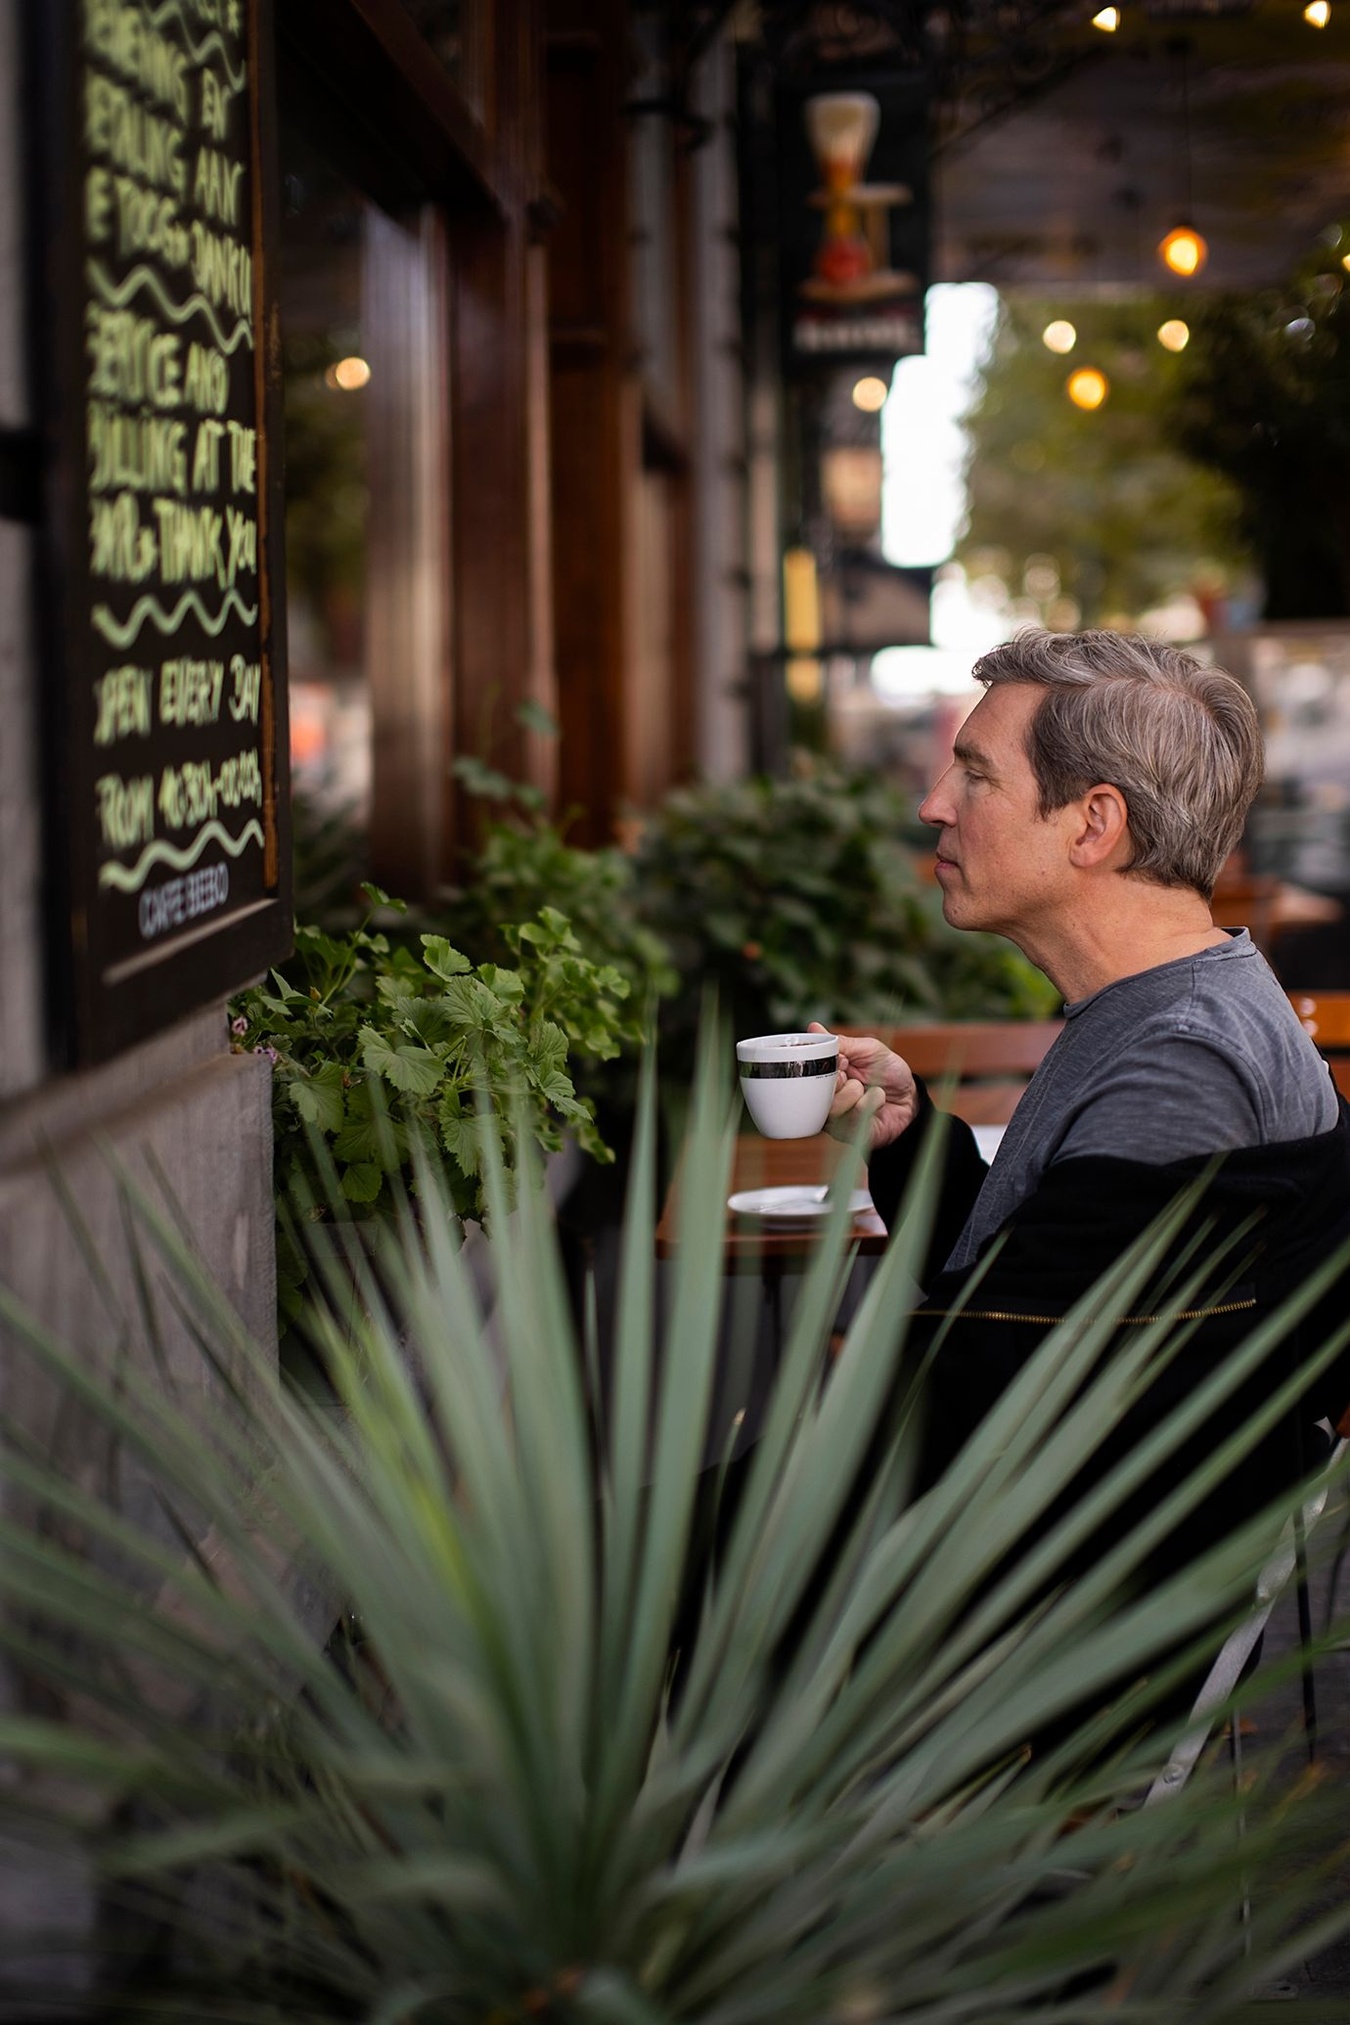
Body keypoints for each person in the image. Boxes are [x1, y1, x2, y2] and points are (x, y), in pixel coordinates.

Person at [826, 630, 1350, 1594]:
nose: (932, 802)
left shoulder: (1182, 1061)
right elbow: (1035, 1299)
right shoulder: (1165, 1007)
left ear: (1091, 825)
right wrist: (911, 1144)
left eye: (975, 775)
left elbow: (987, 1400)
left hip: (1032, 1642)